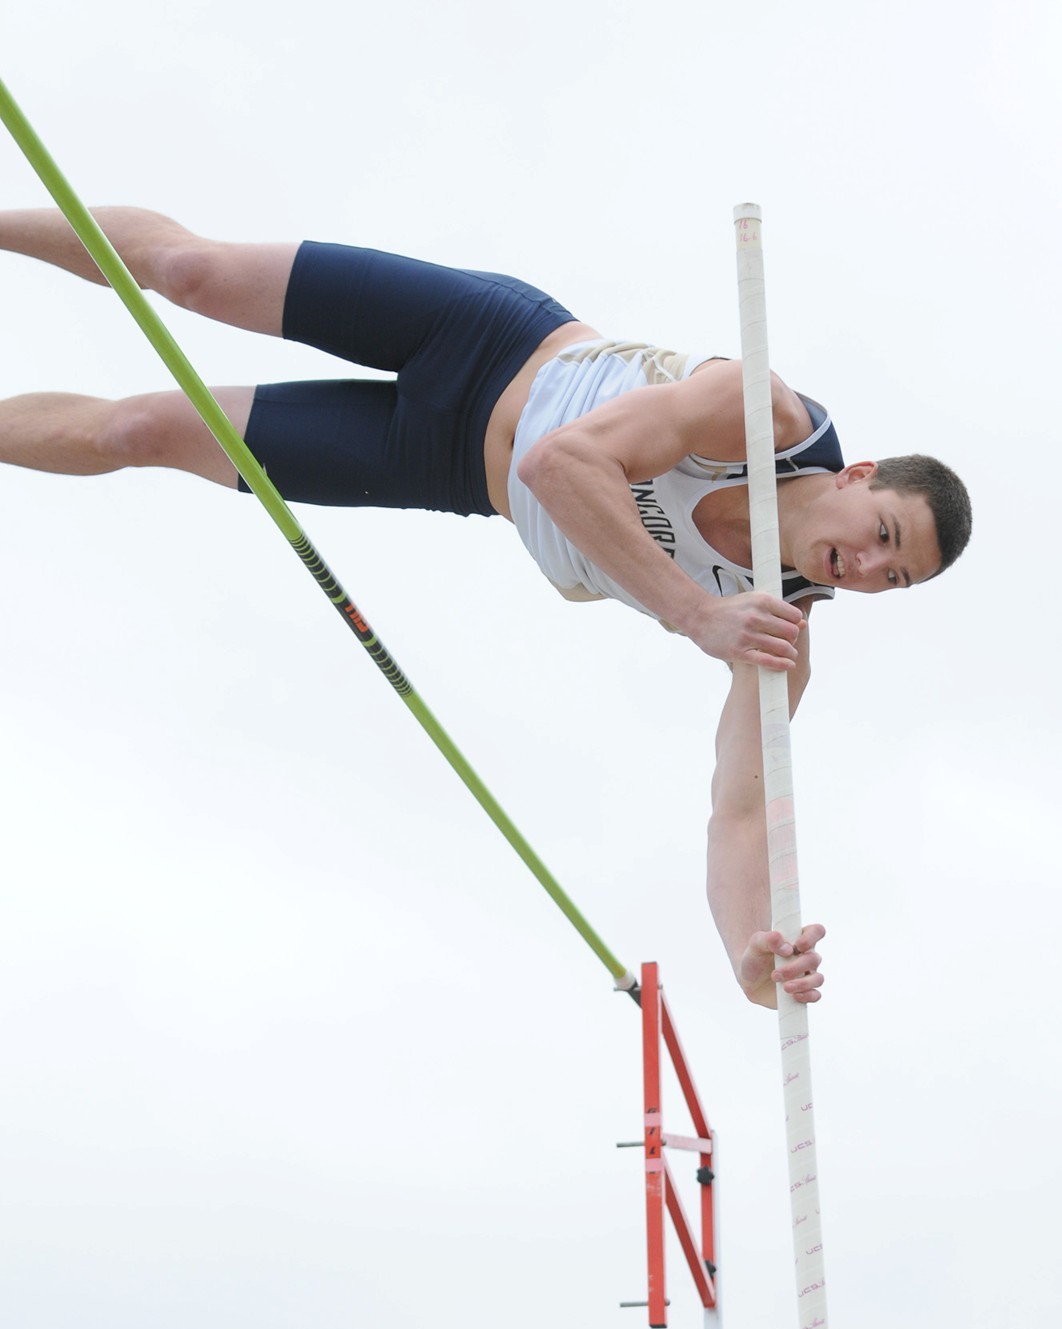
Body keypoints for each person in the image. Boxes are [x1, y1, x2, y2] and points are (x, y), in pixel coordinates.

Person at [0, 210, 972, 1007]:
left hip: (447, 468)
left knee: (146, 429)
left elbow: (741, 808)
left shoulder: (774, 634)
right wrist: (692, 614)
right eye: (883, 535)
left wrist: (752, 963)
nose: (862, 567)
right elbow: (562, 462)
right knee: (190, 273)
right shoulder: (758, 413)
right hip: (488, 341)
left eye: (890, 580)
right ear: (856, 474)